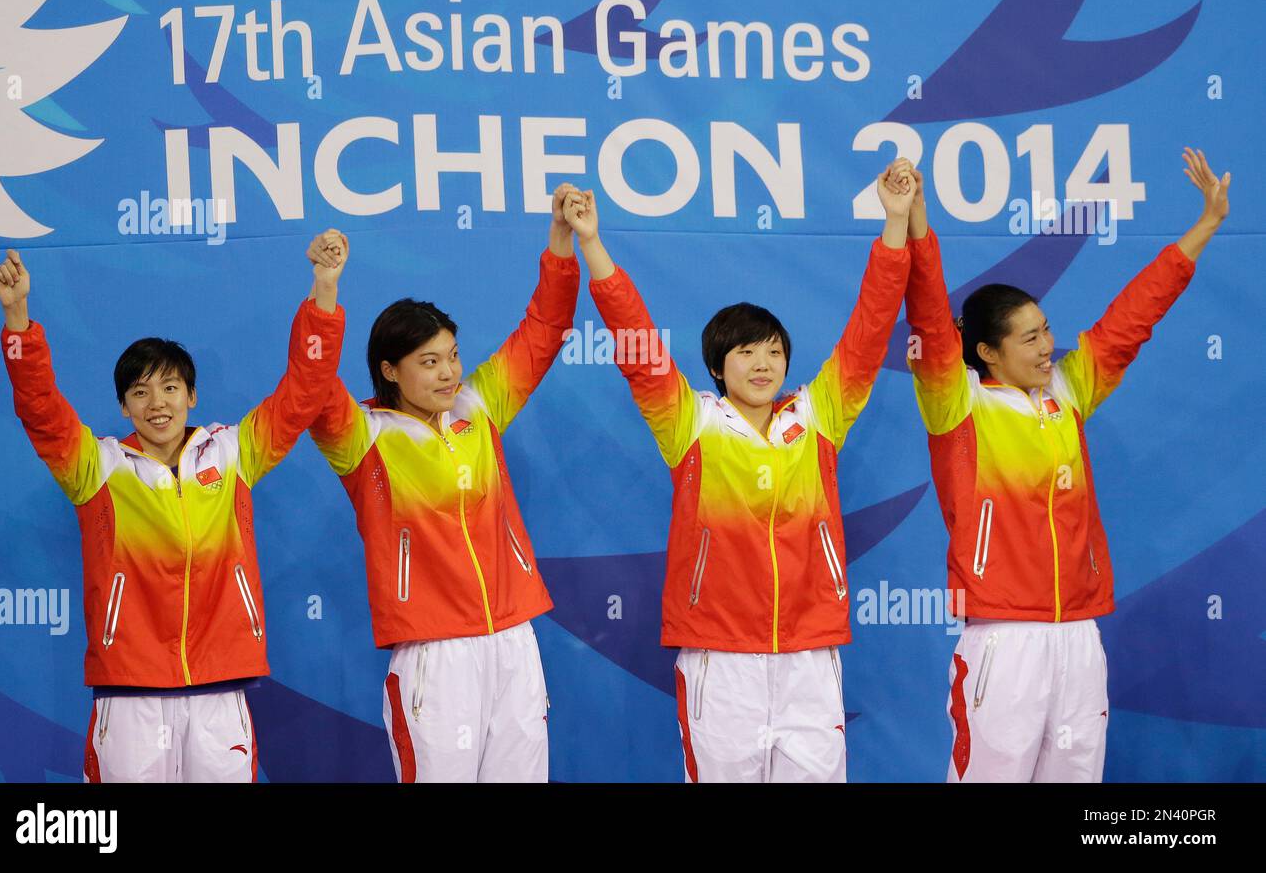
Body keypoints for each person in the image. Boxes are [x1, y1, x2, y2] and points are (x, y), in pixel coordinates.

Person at [562, 170, 914, 782]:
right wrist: (591, 243)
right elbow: (636, 341)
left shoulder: (820, 413)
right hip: (719, 660)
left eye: (774, 351)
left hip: (809, 655)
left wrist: (893, 222)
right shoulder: (689, 422)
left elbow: (870, 328)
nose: (763, 363)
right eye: (746, 352)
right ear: (718, 367)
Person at [896, 149, 1231, 782]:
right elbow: (932, 321)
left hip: (1078, 634)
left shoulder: (1068, 394)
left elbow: (1134, 317)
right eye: (1029, 337)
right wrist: (916, 220)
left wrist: (1205, 226)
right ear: (988, 351)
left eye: (1047, 329)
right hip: (1004, 639)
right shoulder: (957, 405)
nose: (1049, 345)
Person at [0, 232, 348, 782]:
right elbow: (40, 410)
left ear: (192, 396)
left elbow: (304, 391)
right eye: (140, 392)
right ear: (123, 405)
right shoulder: (97, 468)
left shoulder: (233, 454)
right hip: (131, 689)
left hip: (220, 685)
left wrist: (324, 291)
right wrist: (18, 319)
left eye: (170, 388)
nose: (157, 404)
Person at [308, 186, 582, 783]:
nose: (448, 371)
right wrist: (324, 291)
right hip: (434, 652)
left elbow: (547, 326)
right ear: (389, 369)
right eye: (429, 361)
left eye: (452, 356)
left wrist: (560, 239)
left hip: (512, 636)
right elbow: (310, 382)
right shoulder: (363, 437)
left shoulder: (477, 408)